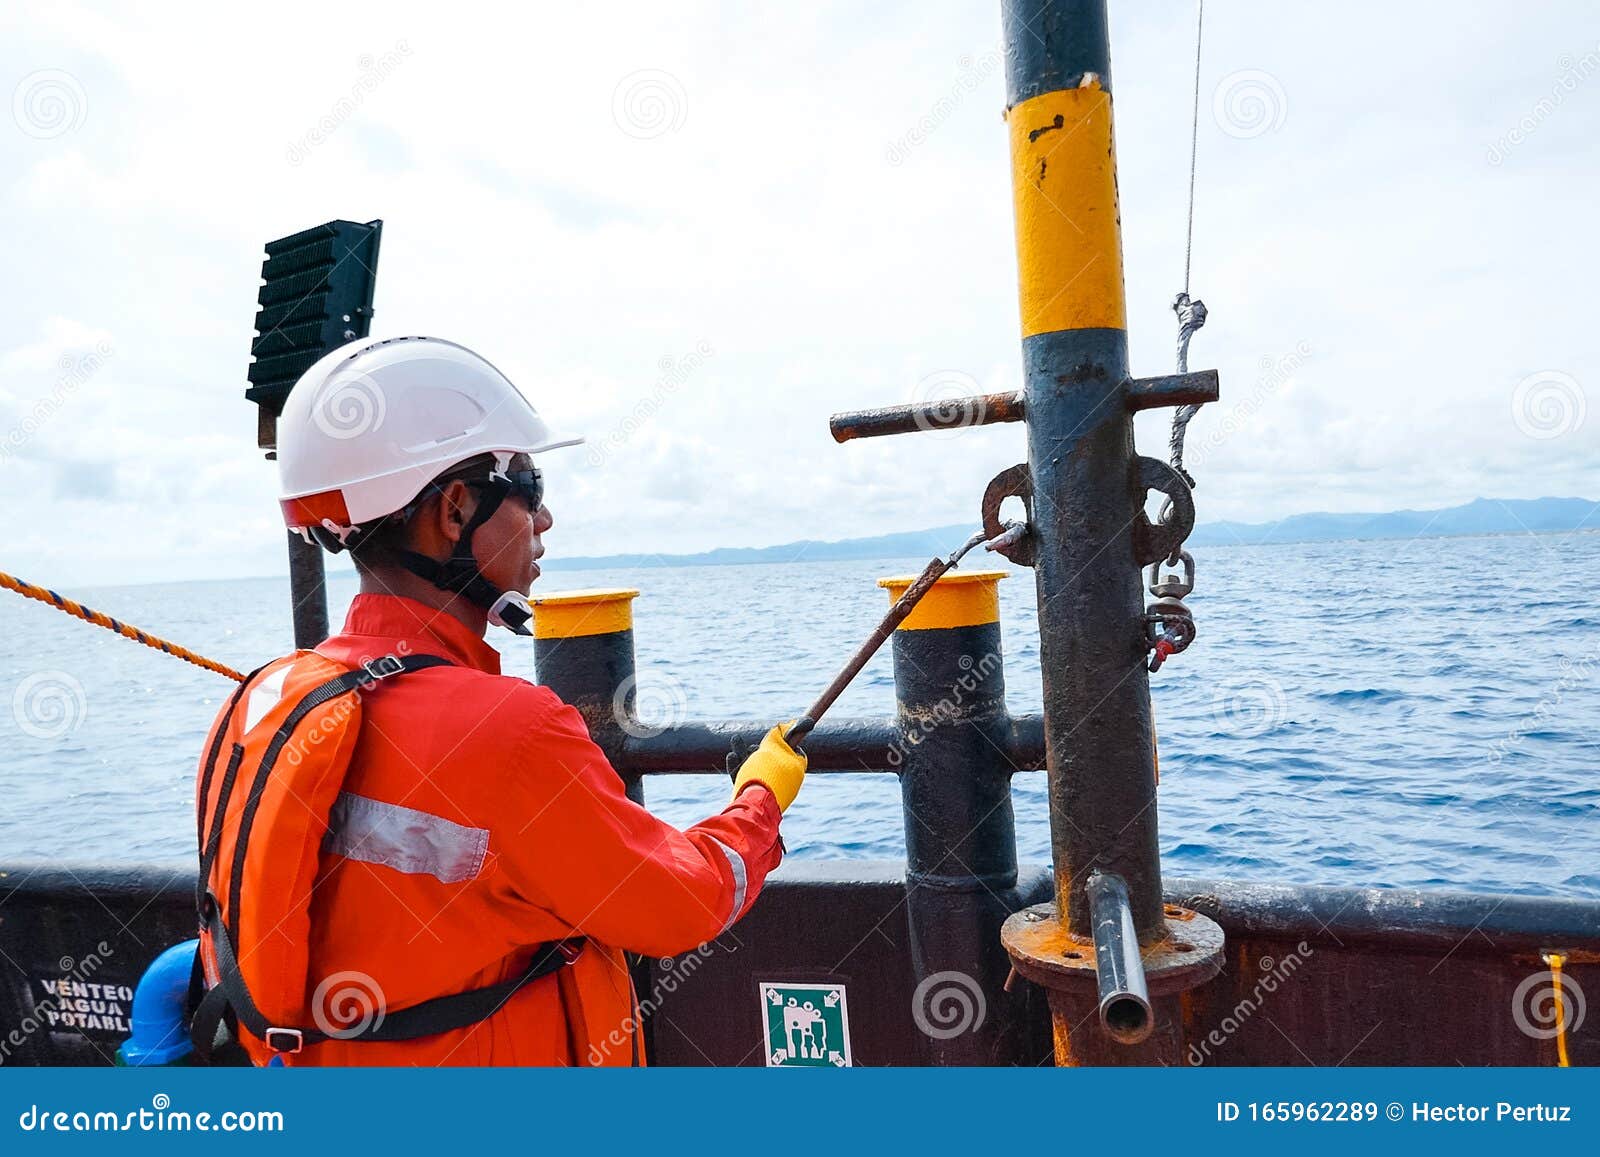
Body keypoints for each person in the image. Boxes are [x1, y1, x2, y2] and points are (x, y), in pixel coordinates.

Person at [200, 335, 806, 1066]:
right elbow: (678, 905)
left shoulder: (258, 705)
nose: (543, 520)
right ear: (455, 509)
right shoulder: (510, 732)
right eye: (529, 487)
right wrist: (759, 803)